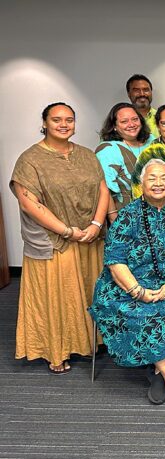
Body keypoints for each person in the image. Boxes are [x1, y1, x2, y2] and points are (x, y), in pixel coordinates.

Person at [89, 159, 165, 409]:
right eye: (152, 178)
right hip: (127, 285)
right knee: (149, 313)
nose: (158, 183)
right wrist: (137, 291)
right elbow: (114, 260)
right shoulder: (128, 215)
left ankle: (157, 373)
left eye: (164, 178)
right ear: (141, 185)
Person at [11, 102, 110, 374]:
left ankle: (92, 342)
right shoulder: (29, 159)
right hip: (54, 241)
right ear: (45, 123)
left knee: (92, 292)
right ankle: (56, 351)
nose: (64, 124)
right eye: (57, 120)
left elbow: (103, 190)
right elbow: (29, 203)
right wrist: (67, 231)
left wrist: (95, 223)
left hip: (89, 238)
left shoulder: (88, 155)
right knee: (59, 298)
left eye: (69, 119)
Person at [95, 102, 155, 213]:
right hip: (126, 215)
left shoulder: (151, 140)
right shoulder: (107, 150)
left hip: (157, 211)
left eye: (135, 119)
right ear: (114, 126)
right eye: (124, 121)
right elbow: (105, 190)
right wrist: (114, 220)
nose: (131, 124)